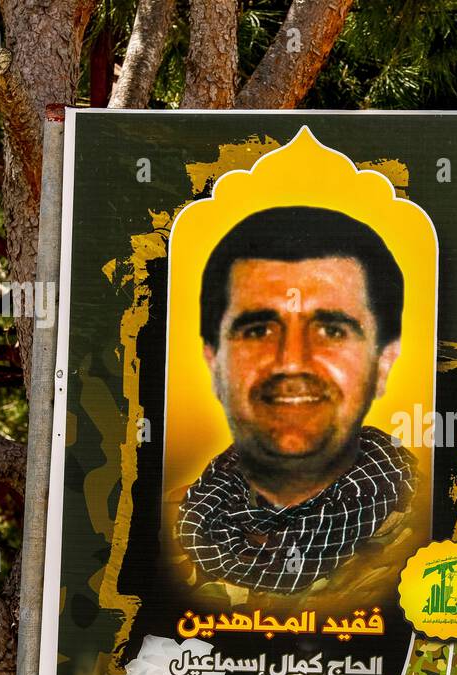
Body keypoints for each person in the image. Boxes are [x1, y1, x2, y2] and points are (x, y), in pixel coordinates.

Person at [177, 205, 421, 594]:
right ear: (214, 363)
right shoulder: (170, 525)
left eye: (331, 330)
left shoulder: (430, 527)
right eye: (258, 331)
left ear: (383, 364)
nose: (291, 362)